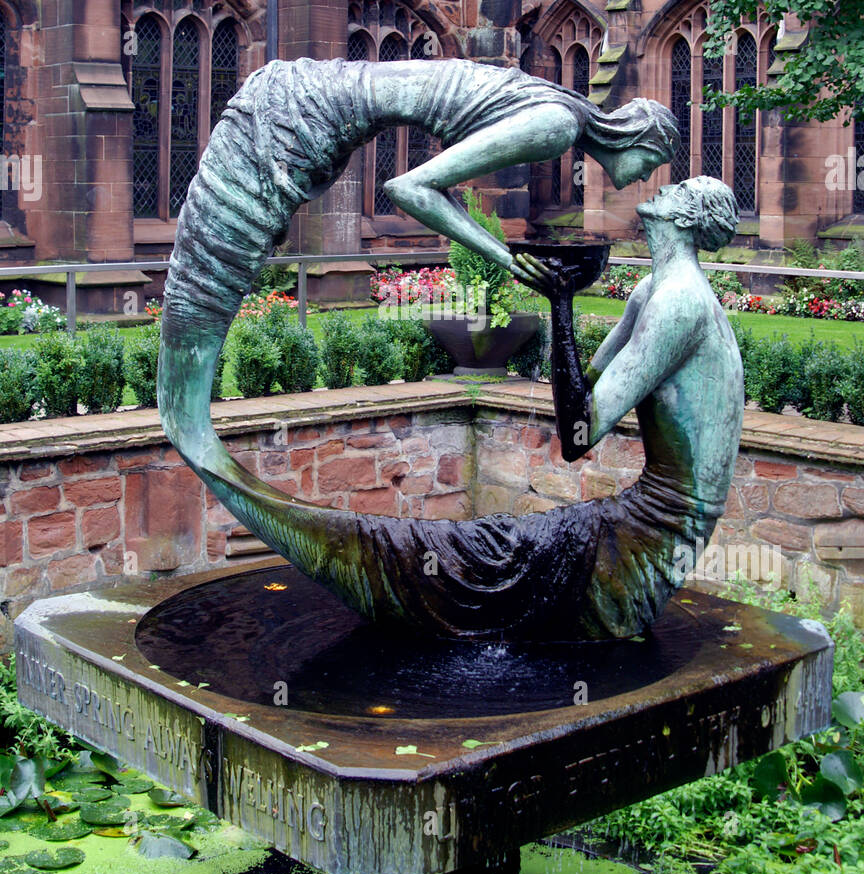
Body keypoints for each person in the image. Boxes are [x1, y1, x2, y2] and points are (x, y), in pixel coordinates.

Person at [161, 156, 744, 641]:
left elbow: (577, 436)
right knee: (494, 549)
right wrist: (558, 304)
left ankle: (394, 570)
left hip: (665, 530)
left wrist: (560, 307)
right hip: (643, 515)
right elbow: (585, 389)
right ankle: (386, 562)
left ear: (691, 218)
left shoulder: (681, 303)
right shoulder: (652, 290)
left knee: (499, 560)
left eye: (682, 189)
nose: (666, 186)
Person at [159, 56, 677, 507]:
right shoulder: (557, 126)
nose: (639, 179)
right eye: (652, 162)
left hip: (303, 102)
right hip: (292, 118)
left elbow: (432, 186)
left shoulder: (558, 116)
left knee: (217, 285)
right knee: (210, 291)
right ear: (639, 137)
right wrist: (506, 258)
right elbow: (410, 188)